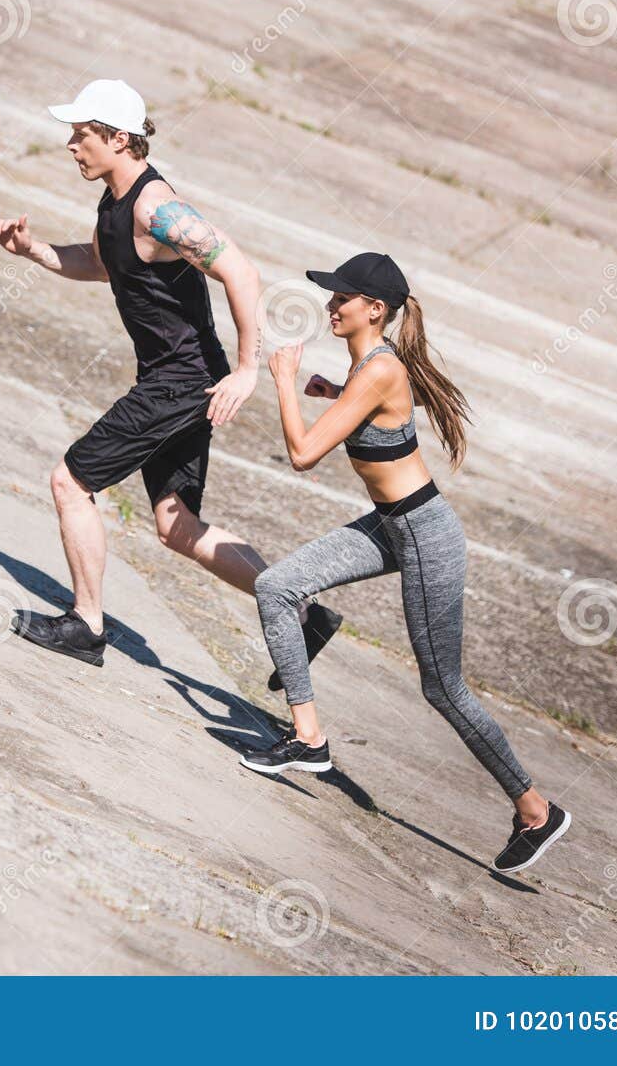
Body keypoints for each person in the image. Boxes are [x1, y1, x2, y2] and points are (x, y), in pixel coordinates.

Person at [0, 79, 340, 670]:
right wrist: (33, 250)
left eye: (81, 134)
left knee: (70, 482)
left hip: (180, 380)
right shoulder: (114, 201)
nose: (71, 145)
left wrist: (247, 369)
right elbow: (101, 263)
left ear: (118, 139)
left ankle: (86, 625)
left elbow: (242, 272)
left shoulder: (156, 209)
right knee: (178, 527)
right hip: (177, 377)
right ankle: (304, 614)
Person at [243, 252, 570, 874]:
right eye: (331, 294)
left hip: (423, 535)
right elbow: (388, 412)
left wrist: (284, 380)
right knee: (277, 586)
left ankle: (536, 811)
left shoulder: (378, 368)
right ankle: (309, 739)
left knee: (443, 687)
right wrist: (334, 393)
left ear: (375, 310)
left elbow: (304, 454)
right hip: (392, 525)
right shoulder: (372, 364)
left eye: (342, 297)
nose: (330, 305)